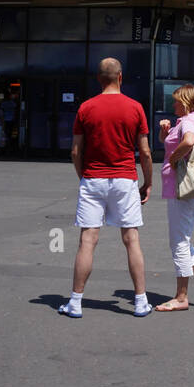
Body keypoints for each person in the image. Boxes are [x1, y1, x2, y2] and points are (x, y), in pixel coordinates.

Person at [58, 58, 154, 319]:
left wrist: (84, 177)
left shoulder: (86, 108)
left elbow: (75, 151)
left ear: (99, 79)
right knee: (131, 239)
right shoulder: (135, 108)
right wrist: (148, 182)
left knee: (87, 240)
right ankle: (140, 301)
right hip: (125, 179)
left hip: (93, 179)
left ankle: (76, 302)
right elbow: (144, 152)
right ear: (120, 77)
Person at [156, 84, 194, 311]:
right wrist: (165, 134)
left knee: (178, 242)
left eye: (176, 101)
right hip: (191, 189)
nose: (173, 104)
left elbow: (189, 142)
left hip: (182, 188)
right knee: (185, 239)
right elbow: (181, 141)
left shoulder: (189, 121)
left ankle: (181, 297)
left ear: (186, 102)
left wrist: (172, 159)